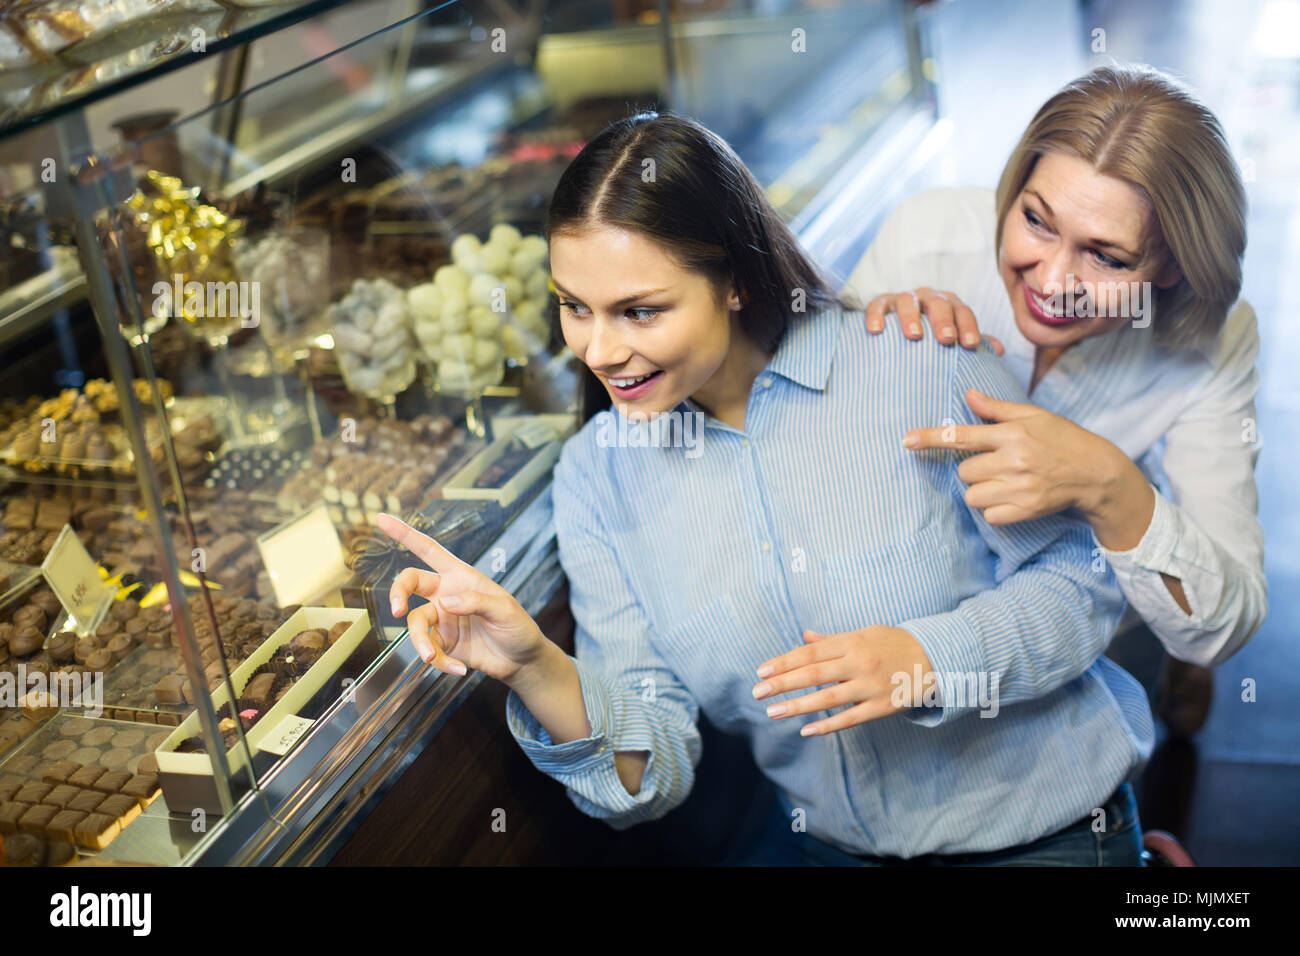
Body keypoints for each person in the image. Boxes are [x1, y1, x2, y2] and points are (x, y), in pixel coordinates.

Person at [379, 111, 1150, 865]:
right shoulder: (597, 476)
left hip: (1047, 836)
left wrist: (927, 656)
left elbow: (1081, 587)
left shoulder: (922, 362)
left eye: (640, 311)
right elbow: (655, 776)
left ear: (736, 282)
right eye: (575, 308)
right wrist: (533, 665)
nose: (600, 350)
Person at [844, 65, 1266, 736]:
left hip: (1101, 618)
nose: (1054, 281)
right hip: (923, 601)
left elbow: (1225, 625)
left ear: (1174, 267)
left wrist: (1108, 484)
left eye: (1107, 257)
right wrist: (867, 355)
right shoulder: (929, 238)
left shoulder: (1217, 340)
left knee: (1140, 699)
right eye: (1036, 221)